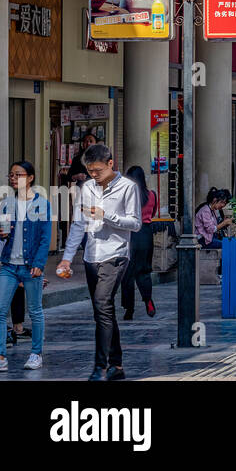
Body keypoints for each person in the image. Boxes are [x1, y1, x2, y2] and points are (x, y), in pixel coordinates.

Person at [57, 144, 141, 381]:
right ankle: (117, 365)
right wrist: (66, 258)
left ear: (111, 164)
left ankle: (100, 367)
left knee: (102, 305)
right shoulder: (86, 188)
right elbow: (78, 225)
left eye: (98, 170)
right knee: (102, 311)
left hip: (116, 254)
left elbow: (135, 223)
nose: (94, 175)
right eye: (90, 170)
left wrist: (107, 216)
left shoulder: (128, 188)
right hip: (91, 255)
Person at [0, 161, 50, 371]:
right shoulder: (6, 203)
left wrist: (39, 264)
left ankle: (36, 354)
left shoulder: (41, 203)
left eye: (18, 175)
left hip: (30, 265)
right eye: (11, 175)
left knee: (35, 311)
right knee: (0, 310)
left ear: (30, 178)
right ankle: (1, 356)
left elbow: (45, 238)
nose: (13, 179)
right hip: (9, 265)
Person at [121, 166, 157, 320]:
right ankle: (148, 300)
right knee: (144, 271)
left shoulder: (126, 196)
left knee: (127, 273)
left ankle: (129, 309)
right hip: (146, 234)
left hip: (130, 234)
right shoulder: (152, 195)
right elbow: (153, 213)